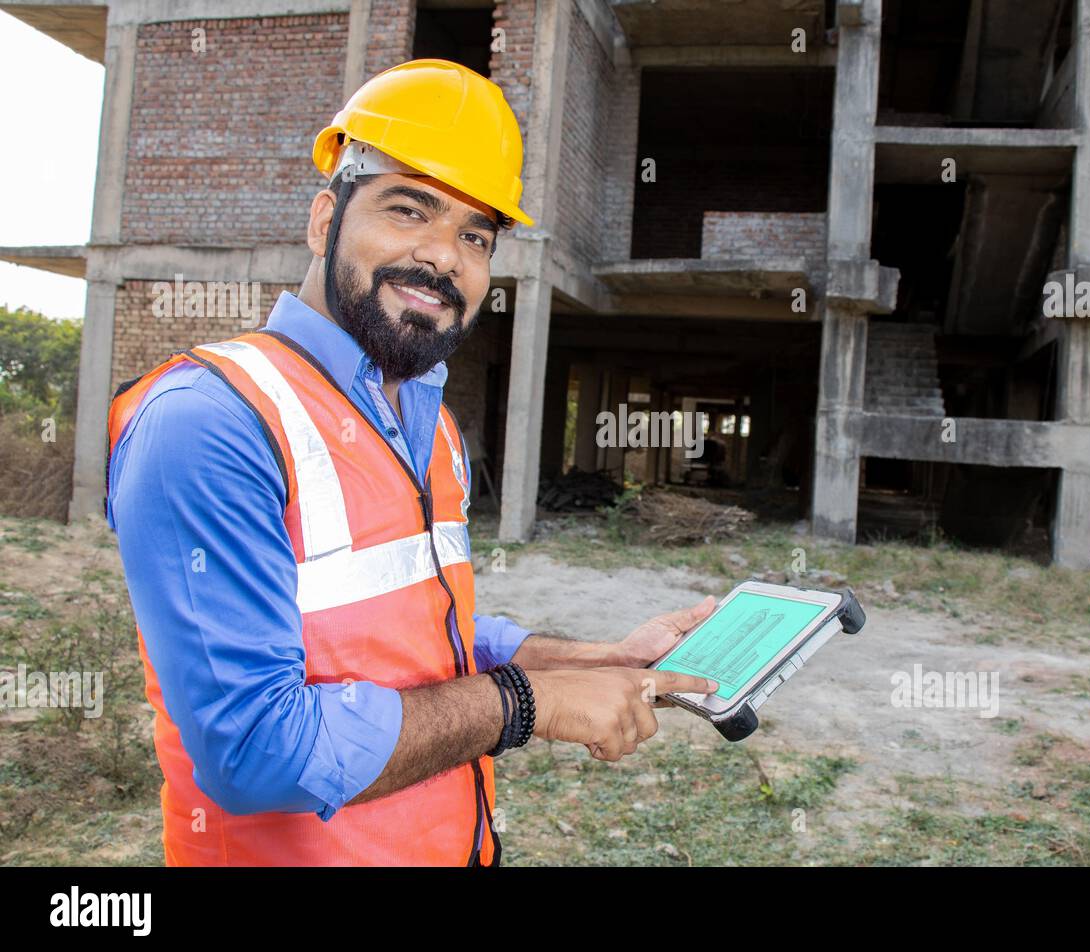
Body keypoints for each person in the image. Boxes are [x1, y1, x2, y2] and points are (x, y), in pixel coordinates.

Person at [107, 59, 718, 867]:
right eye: (408, 208)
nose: (443, 258)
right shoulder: (210, 422)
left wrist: (591, 659)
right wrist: (528, 704)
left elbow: (417, 632)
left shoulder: (430, 429)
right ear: (325, 220)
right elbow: (255, 751)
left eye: (475, 234)